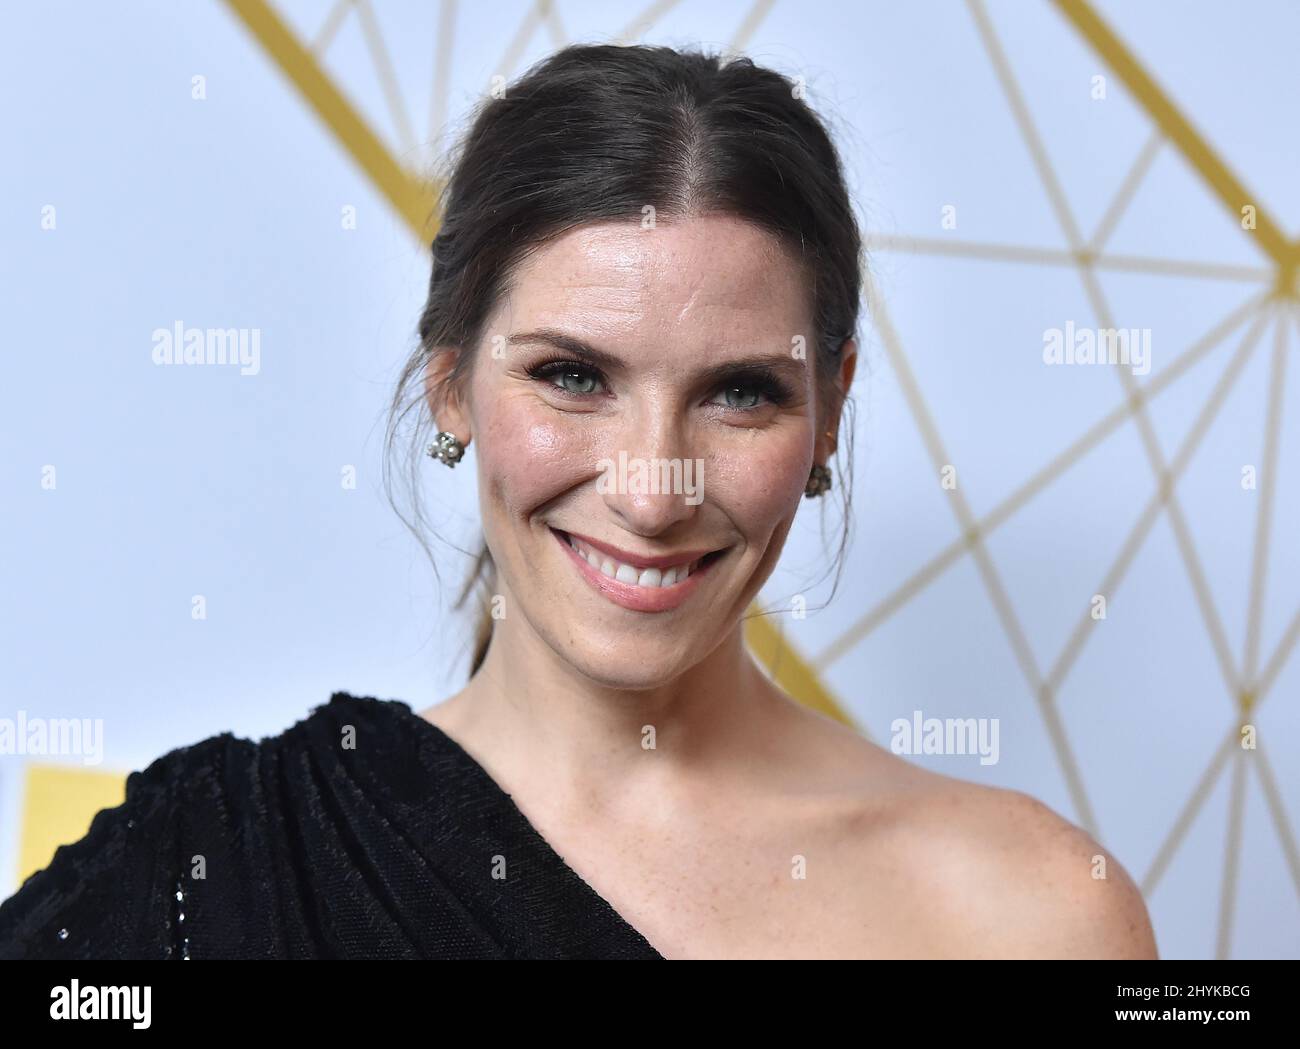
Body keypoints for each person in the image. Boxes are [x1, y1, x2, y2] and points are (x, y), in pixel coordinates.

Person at [0, 42, 1156, 960]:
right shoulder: (213, 862)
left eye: (741, 392)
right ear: (449, 377)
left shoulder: (1033, 914)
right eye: (571, 375)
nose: (652, 490)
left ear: (831, 407)